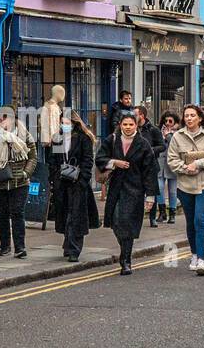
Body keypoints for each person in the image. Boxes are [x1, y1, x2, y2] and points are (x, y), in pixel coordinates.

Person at [95, 112, 158, 275]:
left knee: (126, 223)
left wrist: (150, 196)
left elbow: (150, 171)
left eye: (131, 124)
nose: (128, 127)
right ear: (120, 125)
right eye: (125, 124)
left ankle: (126, 260)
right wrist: (114, 162)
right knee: (116, 222)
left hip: (135, 190)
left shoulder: (143, 144)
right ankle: (125, 251)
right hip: (115, 188)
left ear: (136, 126)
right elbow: (99, 158)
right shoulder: (112, 139)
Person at [165, 104, 204, 275]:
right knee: (191, 222)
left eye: (193, 115)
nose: (189, 118)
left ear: (200, 118)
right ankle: (193, 254)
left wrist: (199, 163)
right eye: (186, 116)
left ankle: (201, 259)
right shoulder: (177, 137)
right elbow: (172, 160)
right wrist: (186, 168)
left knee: (200, 220)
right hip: (185, 186)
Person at [0, 109, 36, 260]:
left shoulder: (24, 135)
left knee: (17, 213)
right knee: (2, 215)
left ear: (12, 119)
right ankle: (5, 247)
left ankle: (20, 248)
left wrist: (26, 173)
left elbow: (32, 158)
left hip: (20, 182)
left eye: (3, 118)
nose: (0, 121)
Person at [51, 108, 99, 262]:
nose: (64, 125)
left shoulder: (83, 138)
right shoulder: (58, 138)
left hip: (78, 183)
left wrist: (83, 180)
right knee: (65, 214)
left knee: (76, 216)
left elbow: (87, 161)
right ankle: (67, 245)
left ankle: (74, 250)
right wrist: (55, 178)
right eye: (62, 123)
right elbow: (53, 161)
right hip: (62, 182)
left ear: (74, 122)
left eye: (67, 123)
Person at [134, 106, 166, 227]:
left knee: (151, 191)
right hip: (136, 166)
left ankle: (152, 218)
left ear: (141, 115)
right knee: (137, 193)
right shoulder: (132, 128)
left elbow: (162, 146)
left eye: (135, 114)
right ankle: (138, 218)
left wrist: (150, 150)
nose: (133, 117)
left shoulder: (153, 130)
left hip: (151, 166)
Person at [156, 112, 180, 224]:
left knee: (172, 191)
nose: (168, 123)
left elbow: (176, 146)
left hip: (173, 164)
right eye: (166, 121)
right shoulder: (158, 132)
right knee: (159, 188)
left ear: (175, 122)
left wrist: (168, 135)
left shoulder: (179, 134)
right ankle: (162, 212)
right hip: (160, 163)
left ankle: (172, 214)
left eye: (170, 121)